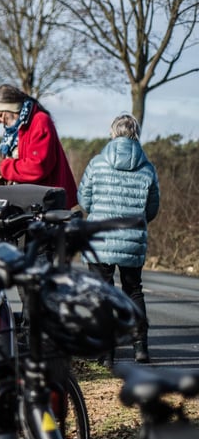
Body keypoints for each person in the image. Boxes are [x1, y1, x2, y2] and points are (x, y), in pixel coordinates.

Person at [78, 113, 160, 364]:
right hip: (132, 237)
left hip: (100, 238)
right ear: (136, 134)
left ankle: (106, 351)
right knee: (133, 290)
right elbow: (152, 208)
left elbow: (84, 200)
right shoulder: (147, 168)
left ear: (112, 133)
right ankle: (140, 347)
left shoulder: (97, 163)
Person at [0, 84, 78, 207]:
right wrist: (1, 177)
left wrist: (2, 167)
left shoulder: (40, 121)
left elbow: (37, 167)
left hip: (46, 202)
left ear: (12, 110)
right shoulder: (13, 131)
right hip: (28, 199)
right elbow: (17, 162)